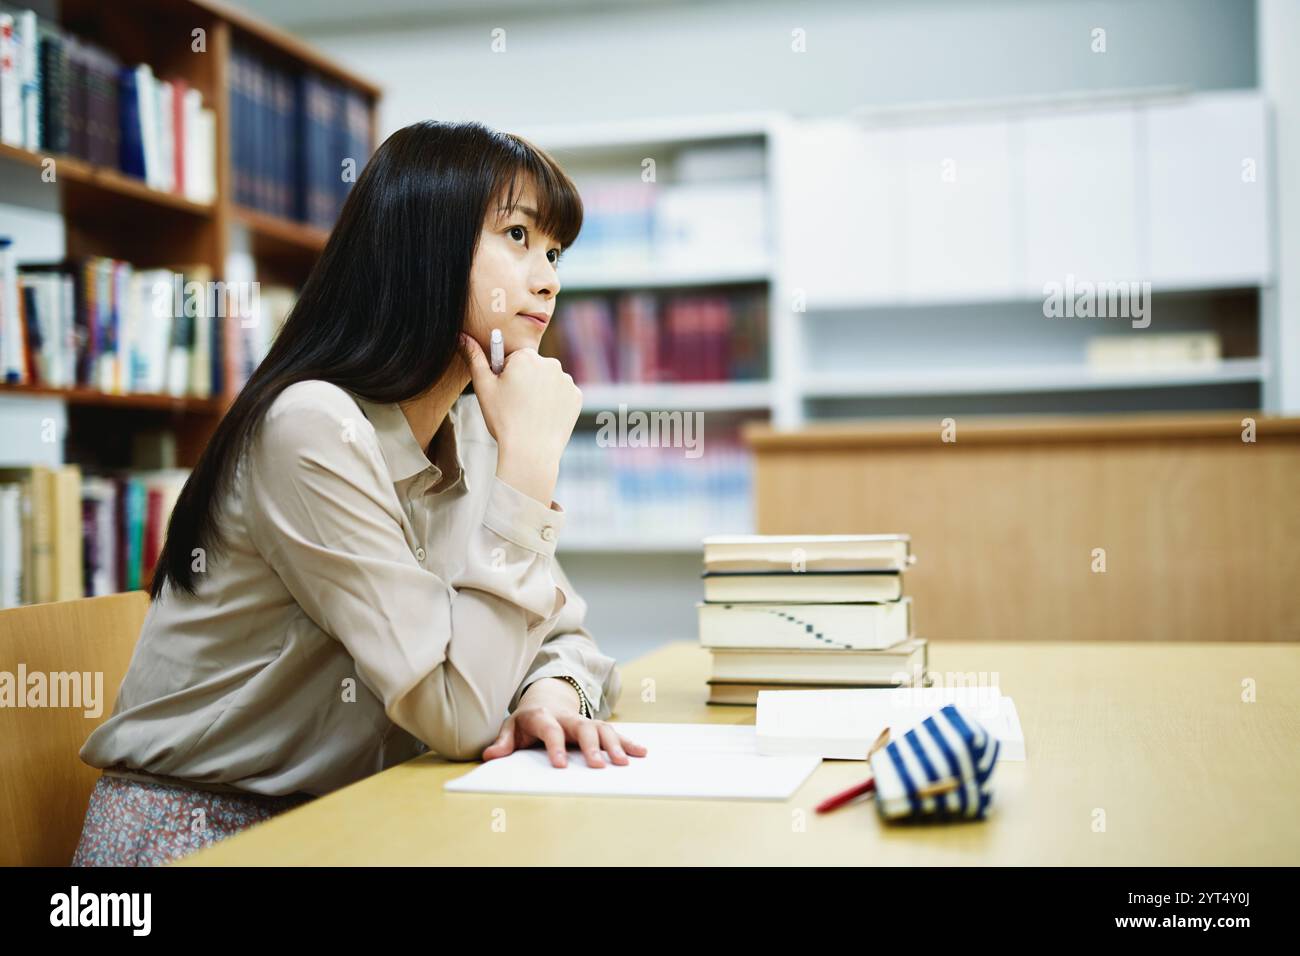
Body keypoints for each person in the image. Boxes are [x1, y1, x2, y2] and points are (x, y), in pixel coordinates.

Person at [71, 120, 646, 866]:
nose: (548, 279)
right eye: (516, 235)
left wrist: (550, 698)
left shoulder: (471, 423)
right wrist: (530, 471)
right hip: (203, 835)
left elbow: (566, 637)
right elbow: (460, 713)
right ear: (422, 245)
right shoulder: (313, 429)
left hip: (352, 818)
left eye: (554, 251)